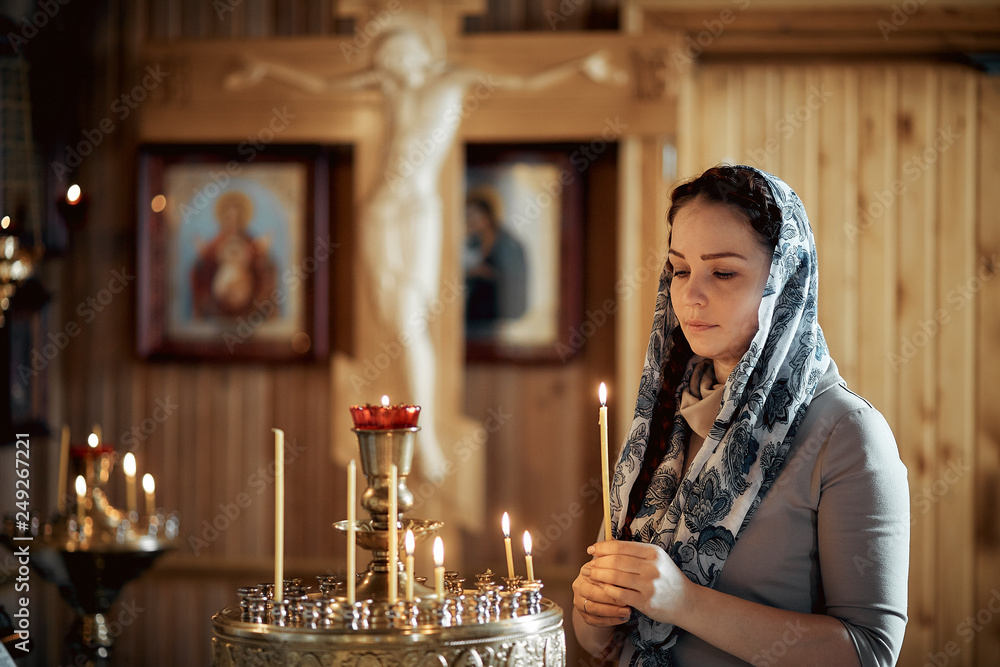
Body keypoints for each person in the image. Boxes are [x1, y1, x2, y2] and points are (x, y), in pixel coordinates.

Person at [225, 14, 625, 475]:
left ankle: (426, 433)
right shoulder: (389, 86)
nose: (392, 67)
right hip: (380, 209)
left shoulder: (453, 79)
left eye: (398, 56)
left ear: (418, 50)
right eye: (385, 60)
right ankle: (402, 422)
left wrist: (582, 65)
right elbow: (321, 86)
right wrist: (264, 70)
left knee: (409, 322)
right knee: (386, 313)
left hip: (416, 212)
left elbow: (524, 82)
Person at [572, 165, 909, 666]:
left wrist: (685, 604)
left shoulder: (847, 434)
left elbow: (870, 653)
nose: (690, 295)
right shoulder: (665, 418)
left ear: (784, 281)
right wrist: (593, 610)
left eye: (724, 272)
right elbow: (601, 643)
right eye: (679, 270)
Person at [191, 190, 276, 320]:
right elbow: (206, 260)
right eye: (230, 218)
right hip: (222, 286)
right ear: (224, 219)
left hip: (245, 287)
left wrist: (262, 252)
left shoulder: (249, 240)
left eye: (236, 218)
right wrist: (204, 255)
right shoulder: (217, 241)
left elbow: (259, 256)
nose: (233, 222)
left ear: (242, 219)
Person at [464, 186, 528, 337]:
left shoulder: (509, 245)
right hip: (473, 324)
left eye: (473, 215)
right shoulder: (473, 243)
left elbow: (512, 285)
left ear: (486, 217)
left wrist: (489, 275)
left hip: (496, 326)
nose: (469, 220)